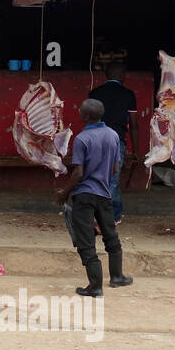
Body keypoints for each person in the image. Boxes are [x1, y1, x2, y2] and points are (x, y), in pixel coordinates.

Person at [56, 99, 133, 296]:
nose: (78, 111)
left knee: (85, 240)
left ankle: (95, 285)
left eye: (81, 110)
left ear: (87, 116)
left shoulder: (82, 139)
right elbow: (115, 168)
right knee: (110, 235)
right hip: (104, 193)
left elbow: (78, 172)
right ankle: (117, 277)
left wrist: (64, 193)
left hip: (84, 195)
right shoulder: (113, 135)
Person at [88, 61, 139, 224]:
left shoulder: (94, 93)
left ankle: (110, 214)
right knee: (113, 179)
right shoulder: (128, 94)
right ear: (123, 76)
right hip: (116, 140)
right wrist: (136, 150)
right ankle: (109, 216)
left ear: (106, 75)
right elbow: (134, 125)